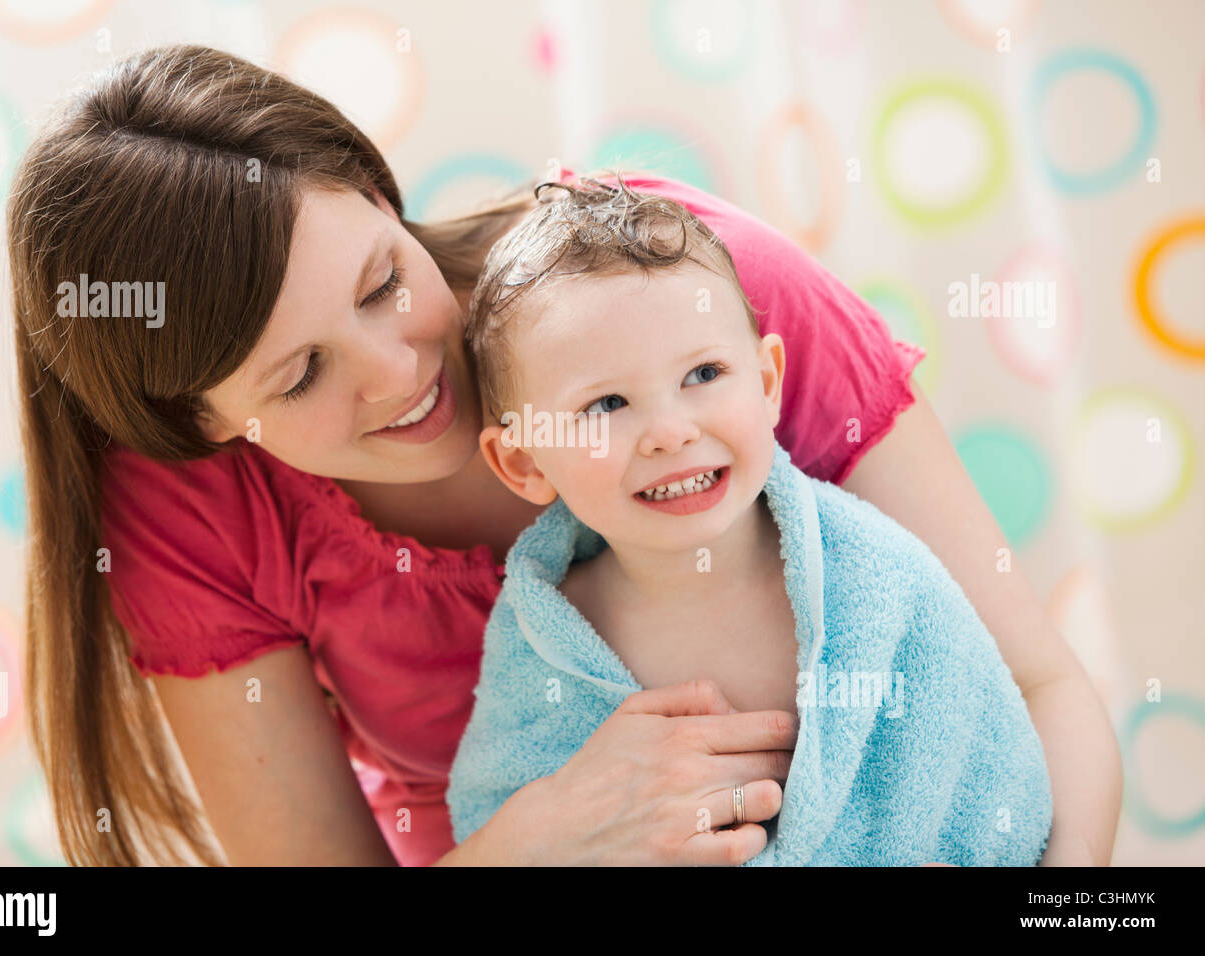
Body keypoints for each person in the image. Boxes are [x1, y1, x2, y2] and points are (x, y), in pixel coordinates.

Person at [7, 43, 1118, 866]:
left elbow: (1039, 683)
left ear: (381, 192)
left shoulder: (680, 297)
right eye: (299, 375)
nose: (396, 370)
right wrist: (537, 838)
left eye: (384, 280)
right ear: (200, 420)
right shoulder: (190, 504)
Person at [446, 178, 1054, 865]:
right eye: (607, 404)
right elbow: (505, 815)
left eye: (704, 374)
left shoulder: (878, 582)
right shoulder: (544, 643)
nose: (671, 432)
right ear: (524, 462)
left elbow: (980, 769)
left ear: (767, 384)